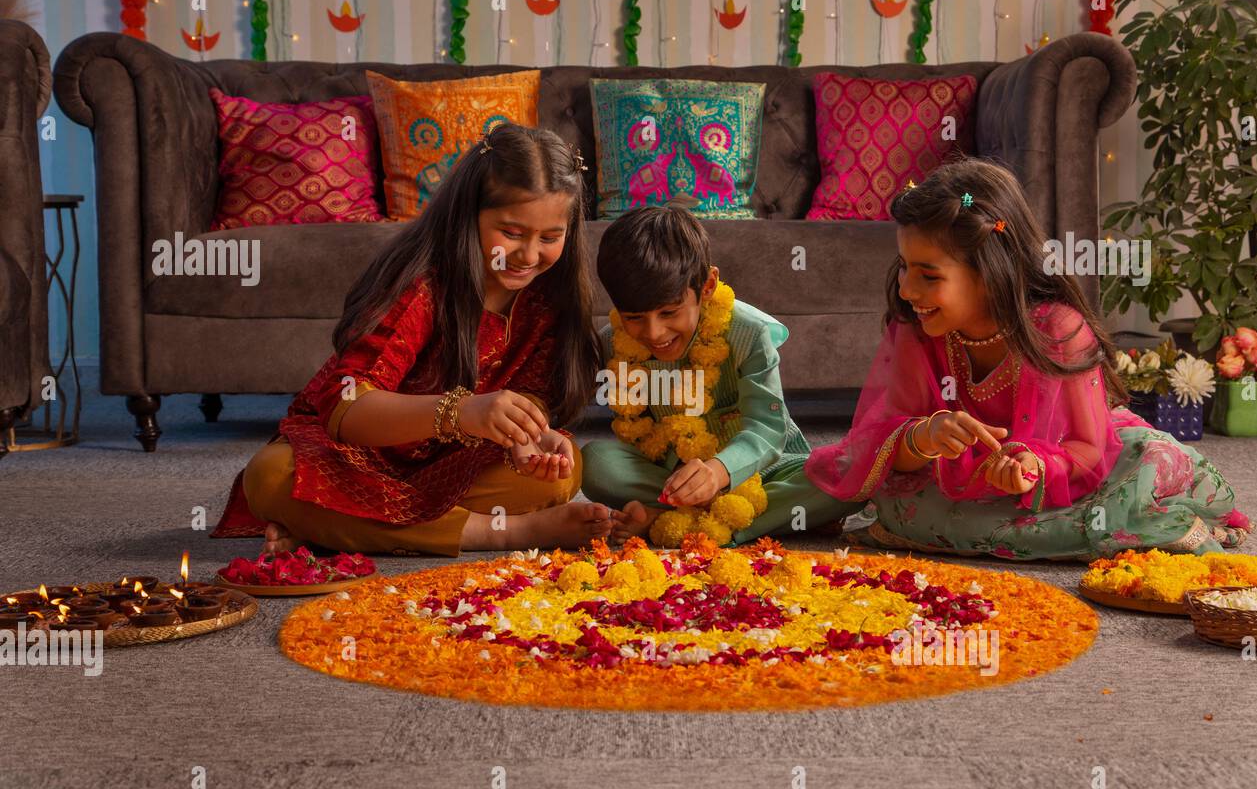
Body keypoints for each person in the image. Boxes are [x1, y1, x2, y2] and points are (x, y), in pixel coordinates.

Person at [806, 159, 1250, 559]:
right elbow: (882, 444)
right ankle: (1047, 532)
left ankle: (1106, 524)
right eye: (904, 266)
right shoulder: (915, 329)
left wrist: (1034, 467)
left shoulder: (1059, 329)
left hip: (1067, 472)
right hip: (956, 481)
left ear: (990, 269)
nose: (906, 290)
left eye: (929, 275)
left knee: (1145, 465)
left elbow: (1087, 451)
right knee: (903, 505)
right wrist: (922, 437)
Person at [213, 123, 617, 555]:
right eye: (512, 233)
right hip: (356, 454)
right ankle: (499, 531)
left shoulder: (550, 294)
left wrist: (527, 436)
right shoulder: (422, 282)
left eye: (550, 237)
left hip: (454, 462)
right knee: (272, 477)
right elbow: (346, 406)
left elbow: (534, 390)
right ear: (469, 213)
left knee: (563, 474)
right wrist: (460, 412)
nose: (529, 255)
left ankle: (329, 526)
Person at [581, 204, 863, 547]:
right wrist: (690, 481)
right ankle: (750, 518)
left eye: (669, 312)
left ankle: (683, 524)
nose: (654, 333)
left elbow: (766, 430)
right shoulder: (616, 344)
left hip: (763, 469)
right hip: (673, 476)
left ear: (708, 285)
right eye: (635, 317)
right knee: (595, 463)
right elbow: (639, 434)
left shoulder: (749, 333)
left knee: (855, 472)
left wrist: (718, 472)